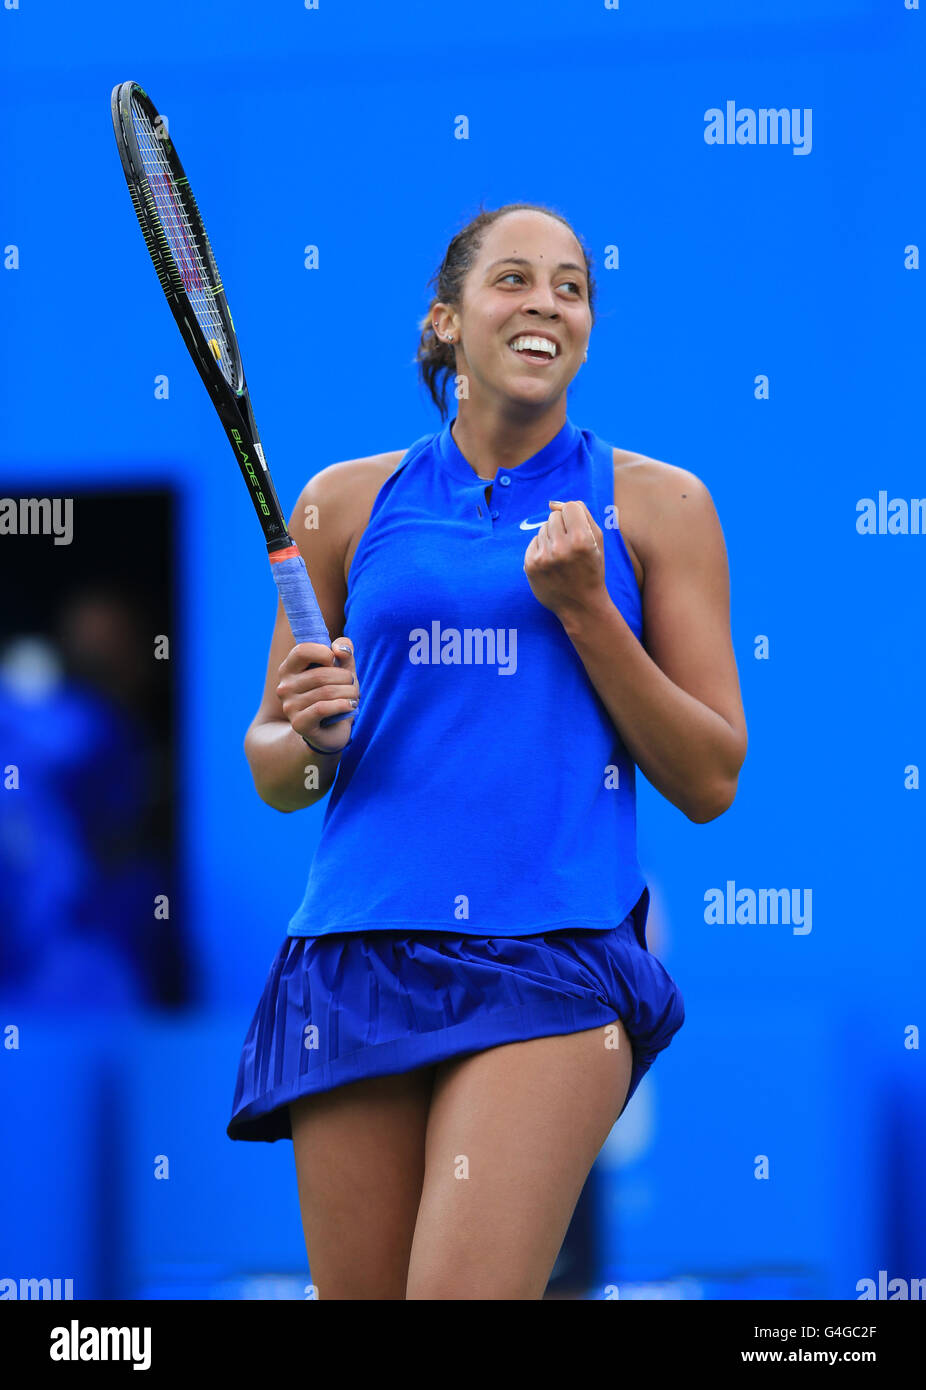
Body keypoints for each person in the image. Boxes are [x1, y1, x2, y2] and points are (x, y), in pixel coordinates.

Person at [226, 202, 747, 1300]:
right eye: (513, 279)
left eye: (570, 286)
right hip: (352, 957)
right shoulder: (341, 503)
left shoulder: (658, 507)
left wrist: (587, 611)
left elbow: (708, 777)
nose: (545, 302)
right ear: (445, 322)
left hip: (551, 960)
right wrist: (308, 730)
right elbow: (279, 768)